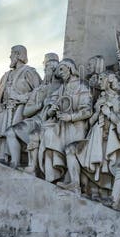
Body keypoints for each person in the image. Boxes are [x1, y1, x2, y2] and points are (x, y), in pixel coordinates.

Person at [79, 71, 120, 192]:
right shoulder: (100, 100)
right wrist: (97, 113)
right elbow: (90, 123)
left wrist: (110, 113)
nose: (99, 82)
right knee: (102, 170)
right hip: (100, 138)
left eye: (102, 79)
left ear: (110, 81)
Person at [38, 58, 93, 187]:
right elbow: (52, 105)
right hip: (62, 127)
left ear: (70, 68)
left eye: (62, 69)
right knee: (48, 135)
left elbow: (88, 111)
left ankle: (75, 183)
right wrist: (52, 109)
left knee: (71, 150)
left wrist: (71, 117)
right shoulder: (62, 88)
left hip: (77, 127)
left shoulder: (82, 86)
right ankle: (51, 176)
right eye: (58, 70)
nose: (60, 72)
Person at [5, 53, 60, 171]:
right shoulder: (38, 89)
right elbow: (26, 111)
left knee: (33, 135)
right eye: (46, 68)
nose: (47, 71)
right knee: (10, 132)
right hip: (36, 120)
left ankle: (33, 167)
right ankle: (14, 163)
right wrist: (40, 104)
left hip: (51, 122)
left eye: (50, 68)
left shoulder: (60, 87)